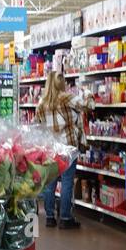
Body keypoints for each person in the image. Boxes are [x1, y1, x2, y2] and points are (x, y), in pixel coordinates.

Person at [35, 71, 86, 229]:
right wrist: (87, 92)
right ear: (61, 83)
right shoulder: (66, 97)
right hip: (68, 147)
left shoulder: (41, 103)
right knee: (67, 182)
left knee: (50, 182)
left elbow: (38, 126)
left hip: (51, 148)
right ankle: (65, 217)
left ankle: (49, 217)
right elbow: (87, 105)